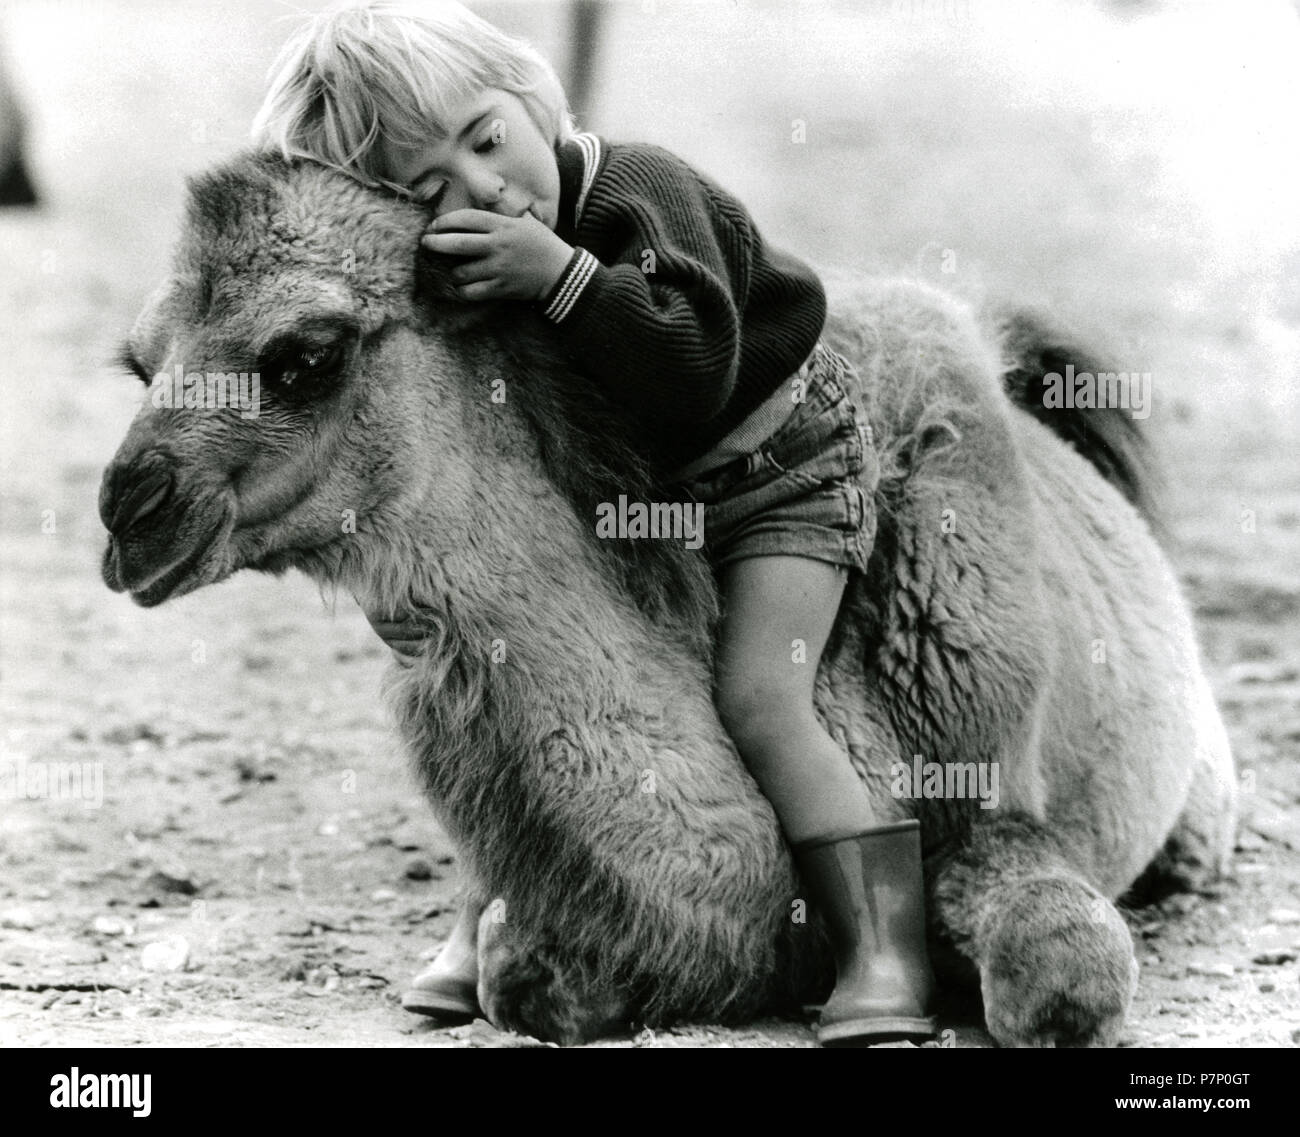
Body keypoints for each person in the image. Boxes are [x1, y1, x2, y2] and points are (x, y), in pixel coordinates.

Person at [251, 0, 935, 1045]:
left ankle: (880, 950)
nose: (480, 189)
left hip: (775, 470)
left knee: (761, 697)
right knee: (517, 678)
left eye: (485, 141)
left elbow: (692, 370)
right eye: (429, 190)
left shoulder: (638, 196)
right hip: (641, 492)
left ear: (531, 95)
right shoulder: (474, 255)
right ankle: (486, 909)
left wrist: (565, 279)